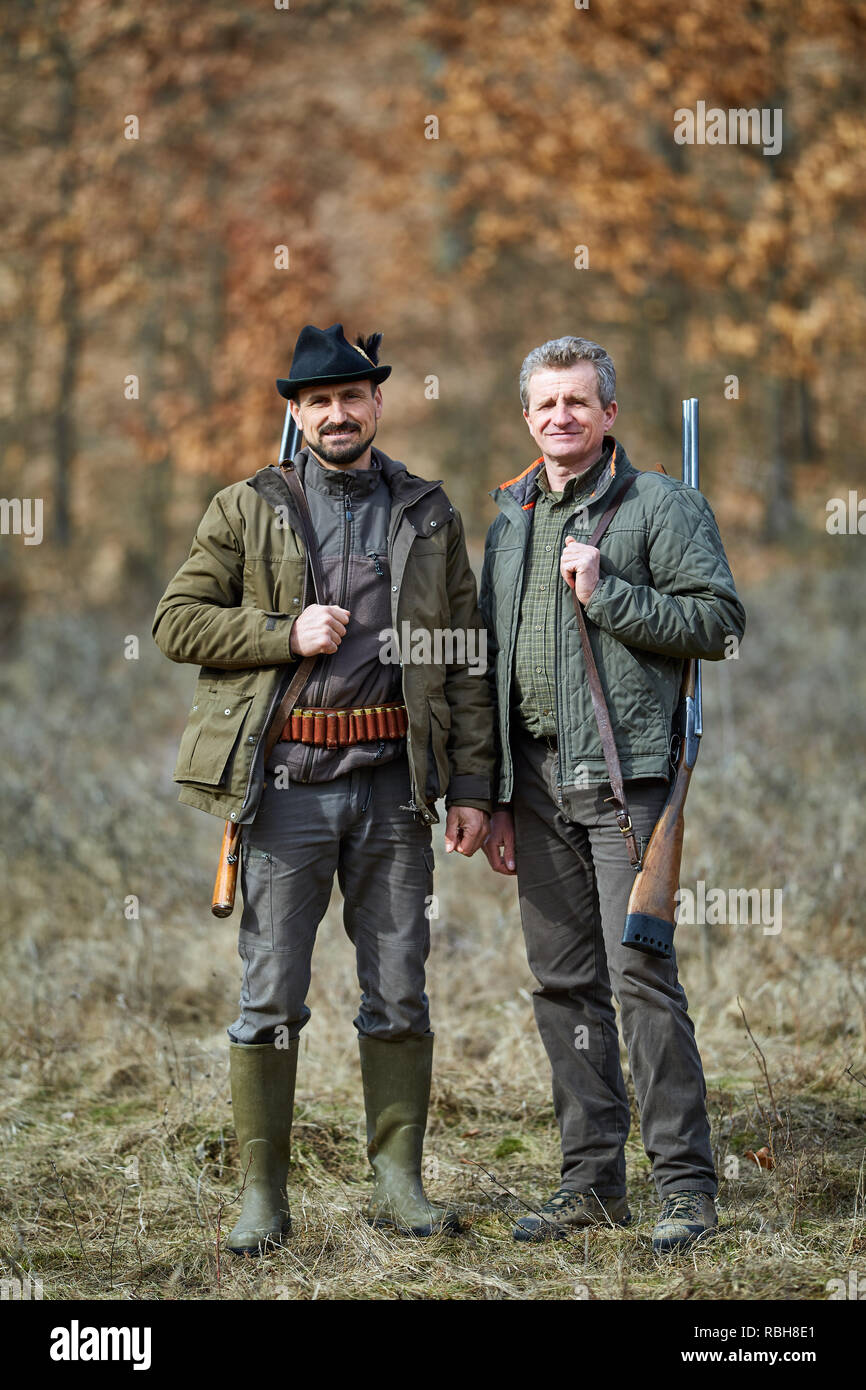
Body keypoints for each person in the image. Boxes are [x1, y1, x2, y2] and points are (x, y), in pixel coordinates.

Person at [153, 323, 492, 1253]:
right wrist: (283, 631)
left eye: (351, 397)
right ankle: (262, 1196)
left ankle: (398, 1183)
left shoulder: (428, 510)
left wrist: (470, 782)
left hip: (393, 791)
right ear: (295, 414)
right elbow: (176, 621)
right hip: (288, 789)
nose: (335, 414)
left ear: (378, 403)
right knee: (269, 1001)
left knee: (401, 995)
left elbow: (464, 657)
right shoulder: (244, 508)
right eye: (316, 401)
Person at [480, 336, 746, 1252]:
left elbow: (718, 623)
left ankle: (685, 1189)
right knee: (562, 987)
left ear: (609, 415)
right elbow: (493, 664)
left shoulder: (660, 505)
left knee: (639, 981)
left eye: (579, 403)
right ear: (527, 415)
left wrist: (611, 594)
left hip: (626, 784)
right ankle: (592, 1185)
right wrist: (491, 790)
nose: (562, 417)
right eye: (546, 404)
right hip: (537, 784)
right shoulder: (509, 519)